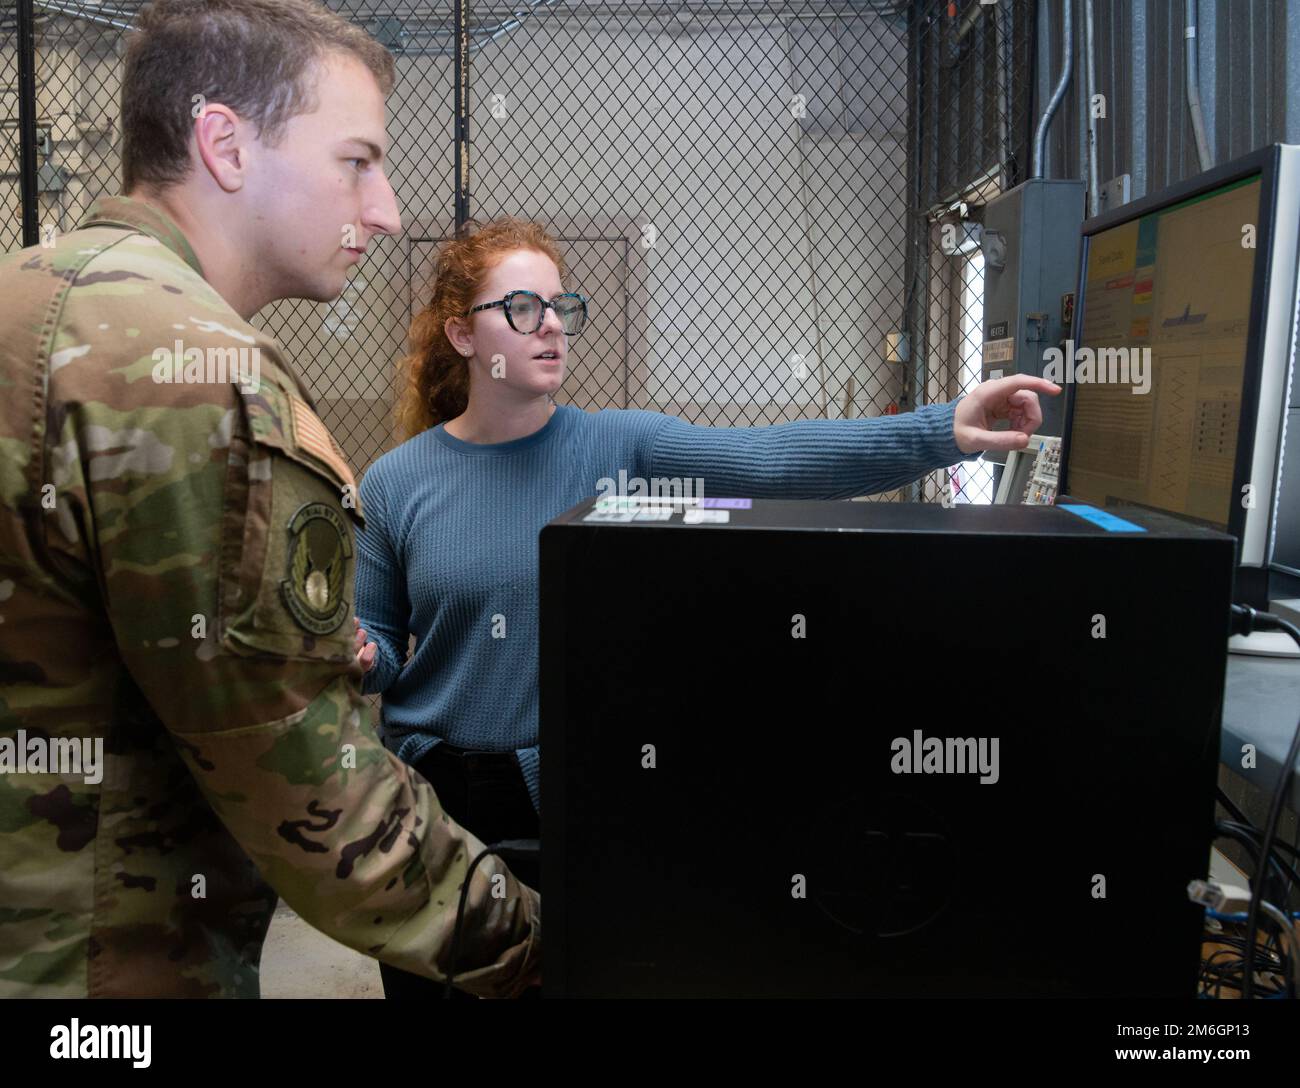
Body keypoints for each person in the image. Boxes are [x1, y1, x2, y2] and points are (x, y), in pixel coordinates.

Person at [353, 215, 1059, 997]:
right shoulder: (394, 482)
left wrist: (943, 429)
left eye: (560, 306)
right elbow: (381, 646)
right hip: (431, 797)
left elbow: (777, 459)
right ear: (460, 333)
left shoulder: (619, 448)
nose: (552, 325)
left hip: (563, 784)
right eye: (522, 308)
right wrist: (355, 652)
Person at [0, 0, 538, 999]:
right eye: (356, 161)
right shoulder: (193, 366)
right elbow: (310, 793)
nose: (385, 209)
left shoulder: (28, 293)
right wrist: (542, 947)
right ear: (224, 144)